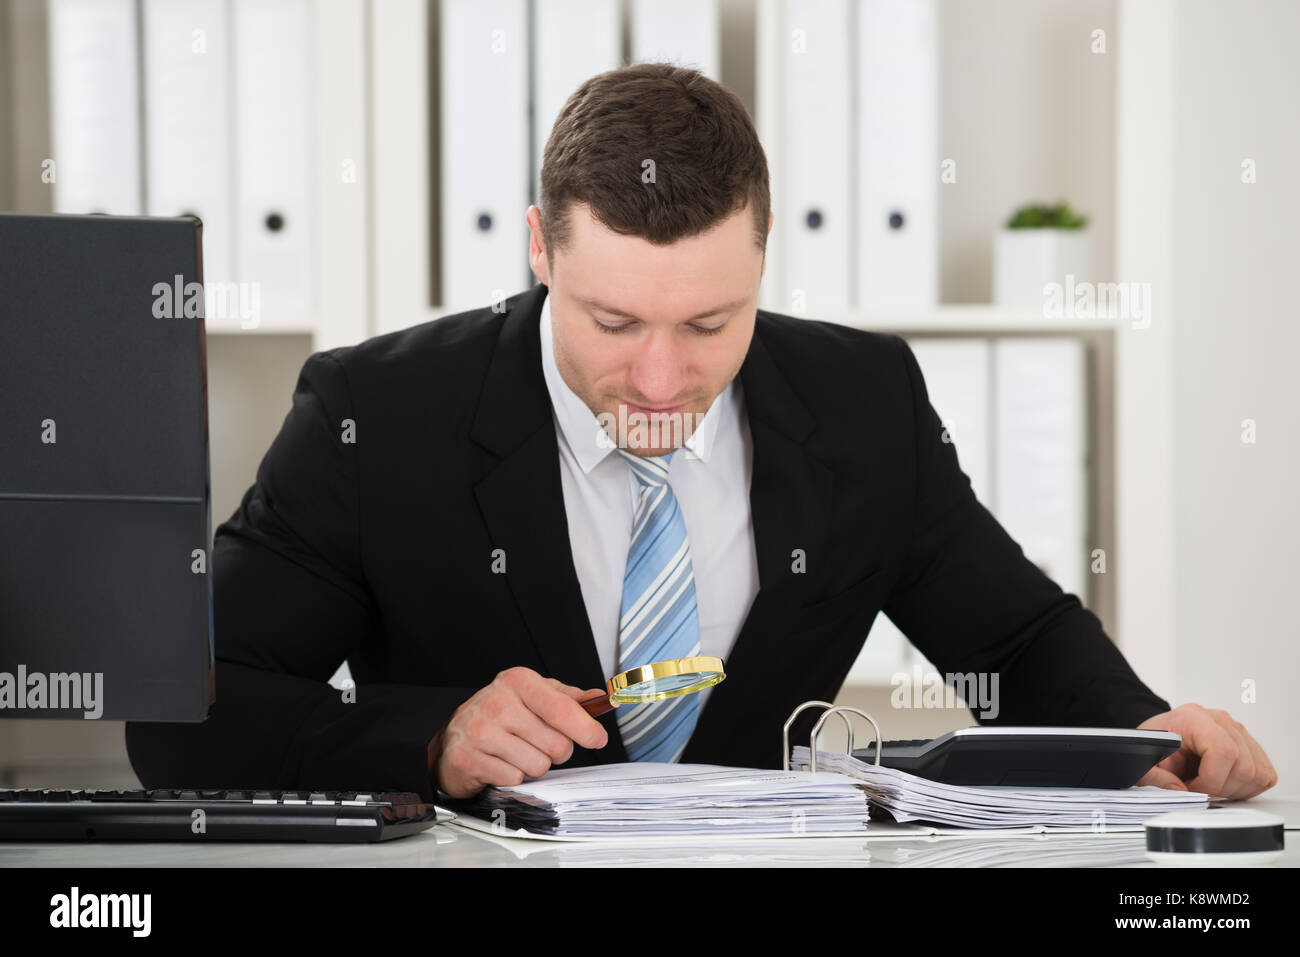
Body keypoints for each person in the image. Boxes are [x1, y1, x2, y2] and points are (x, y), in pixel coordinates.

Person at [126, 62, 1276, 803]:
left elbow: (1015, 644)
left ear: (764, 252)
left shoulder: (863, 396)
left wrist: (1141, 735)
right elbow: (187, 714)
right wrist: (430, 739)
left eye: (710, 322)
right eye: (614, 320)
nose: (662, 381)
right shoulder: (373, 414)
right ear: (539, 247)